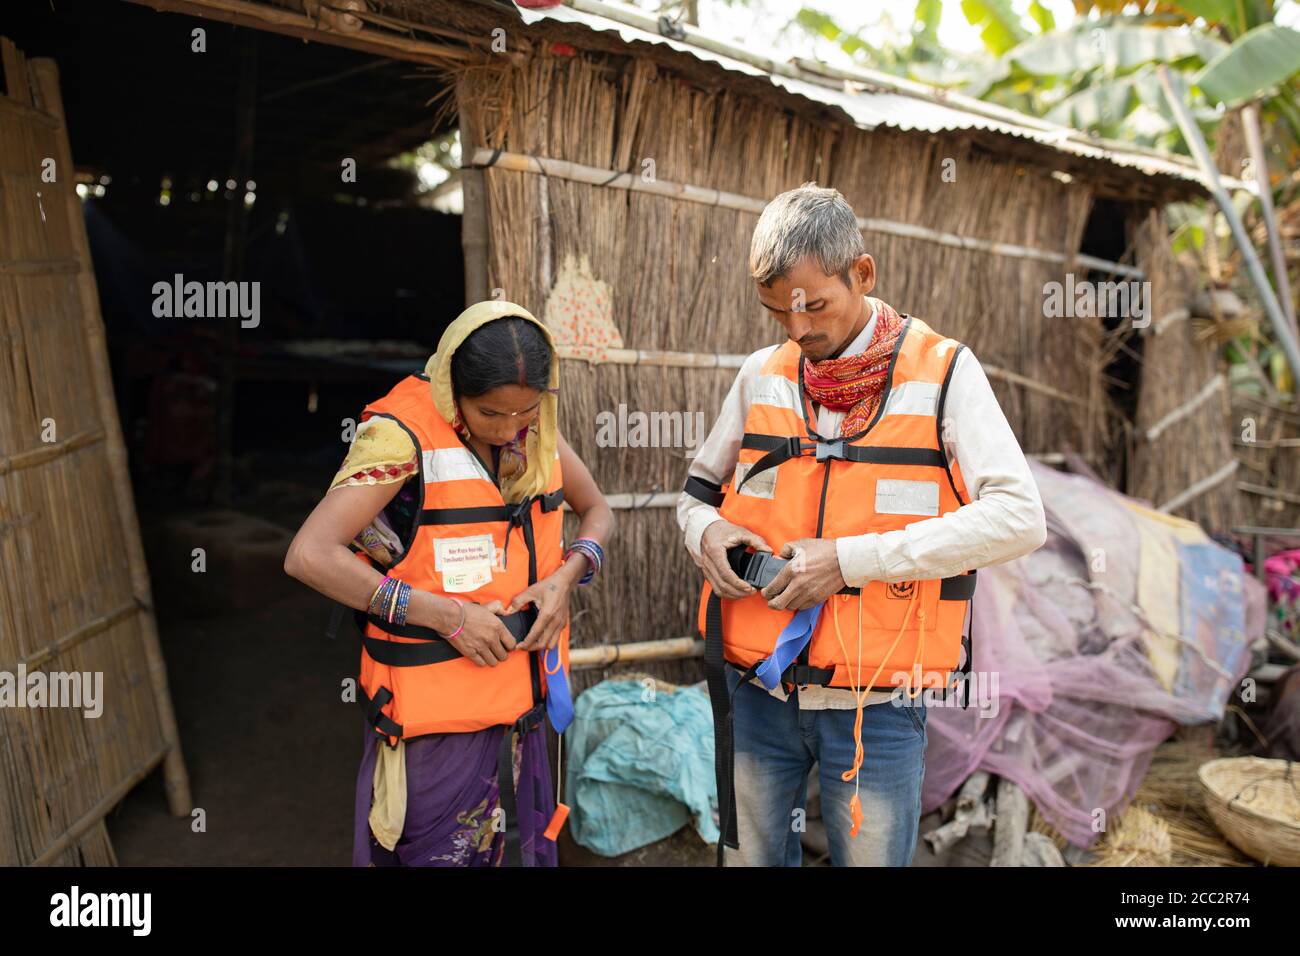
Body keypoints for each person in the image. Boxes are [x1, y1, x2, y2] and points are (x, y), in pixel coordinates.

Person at [677, 184, 1046, 867]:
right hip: (758, 693)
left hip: (876, 703)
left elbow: (1020, 520)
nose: (797, 330)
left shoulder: (944, 375)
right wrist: (707, 534)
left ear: (863, 274)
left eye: (815, 305)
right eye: (777, 311)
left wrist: (848, 561)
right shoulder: (761, 374)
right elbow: (693, 497)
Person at [286, 300, 613, 866]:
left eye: (526, 413)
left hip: (524, 708)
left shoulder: (533, 425)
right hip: (437, 723)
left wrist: (566, 576)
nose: (512, 430)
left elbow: (598, 511)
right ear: (451, 390)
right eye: (491, 414)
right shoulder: (398, 438)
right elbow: (309, 555)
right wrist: (450, 617)